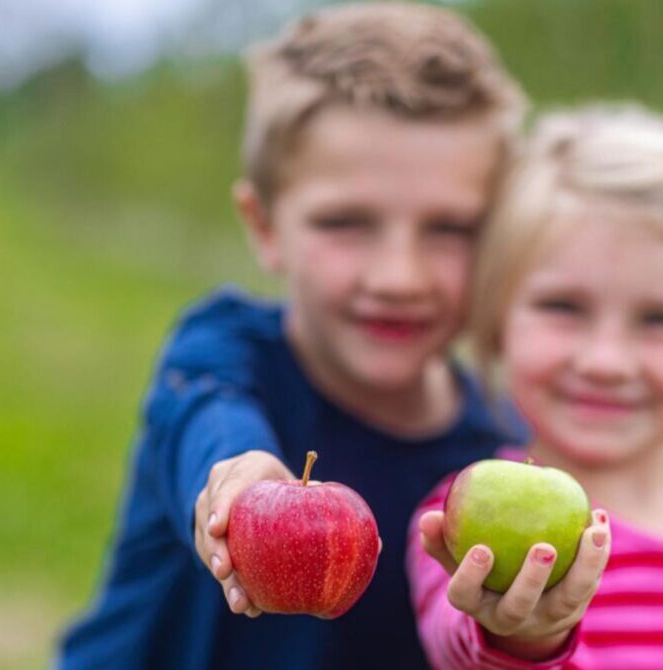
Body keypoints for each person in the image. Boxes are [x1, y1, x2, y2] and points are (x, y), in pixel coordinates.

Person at [56, 4, 527, 669]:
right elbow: (208, 415)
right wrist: (239, 481)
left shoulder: (498, 447)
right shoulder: (223, 352)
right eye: (345, 223)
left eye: (450, 229)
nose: (399, 277)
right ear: (265, 226)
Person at [410, 105, 663, 668]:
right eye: (563, 307)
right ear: (496, 324)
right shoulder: (454, 518)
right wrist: (523, 635)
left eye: (661, 320)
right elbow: (457, 646)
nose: (605, 361)